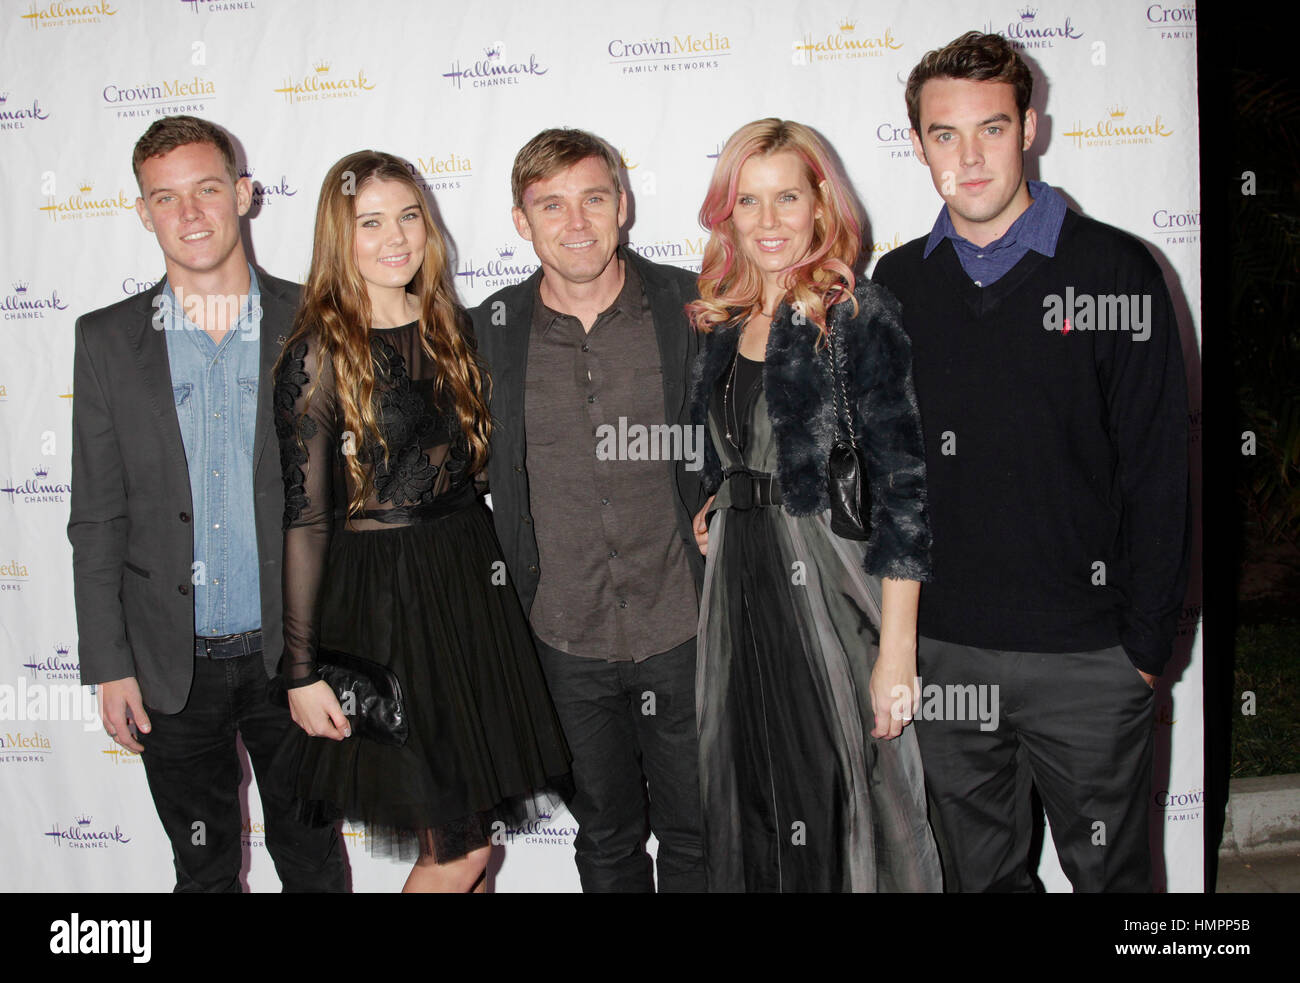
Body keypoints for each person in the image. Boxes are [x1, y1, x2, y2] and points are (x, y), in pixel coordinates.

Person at [871, 31, 1190, 892]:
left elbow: (1162, 471)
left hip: (1088, 663)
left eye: (992, 128)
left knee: (1115, 885)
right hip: (947, 657)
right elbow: (888, 474)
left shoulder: (1117, 269)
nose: (969, 157)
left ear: (1031, 127)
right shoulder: (896, 284)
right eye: (945, 134)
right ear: (918, 143)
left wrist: (1144, 648)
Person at [272, 150, 570, 893]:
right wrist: (301, 670)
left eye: (409, 215)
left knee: (471, 843)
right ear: (340, 236)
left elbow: (478, 467)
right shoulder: (318, 351)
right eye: (370, 222)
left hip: (469, 588)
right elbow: (306, 517)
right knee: (460, 850)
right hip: (387, 609)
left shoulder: (451, 326)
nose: (395, 236)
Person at [69, 115, 346, 892]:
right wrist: (109, 664)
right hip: (169, 666)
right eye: (166, 198)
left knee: (316, 862)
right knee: (203, 868)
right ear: (143, 211)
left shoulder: (317, 323)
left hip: (296, 656)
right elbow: (95, 517)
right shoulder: (104, 341)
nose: (189, 215)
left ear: (245, 194)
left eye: (207, 191)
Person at [686, 118, 942, 893]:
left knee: (839, 788)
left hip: (827, 588)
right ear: (726, 212)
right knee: (752, 792)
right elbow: (747, 443)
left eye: (787, 197)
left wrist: (896, 651)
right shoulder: (722, 323)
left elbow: (902, 488)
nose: (768, 221)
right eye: (749, 201)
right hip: (737, 589)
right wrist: (723, 499)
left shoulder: (856, 315)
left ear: (820, 205)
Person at [470, 128, 706, 892]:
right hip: (562, 638)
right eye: (551, 204)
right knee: (605, 840)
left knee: (699, 835)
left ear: (623, 206)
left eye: (593, 199)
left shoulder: (692, 308)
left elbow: (753, 431)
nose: (576, 223)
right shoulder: (487, 332)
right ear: (521, 221)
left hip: (688, 628)